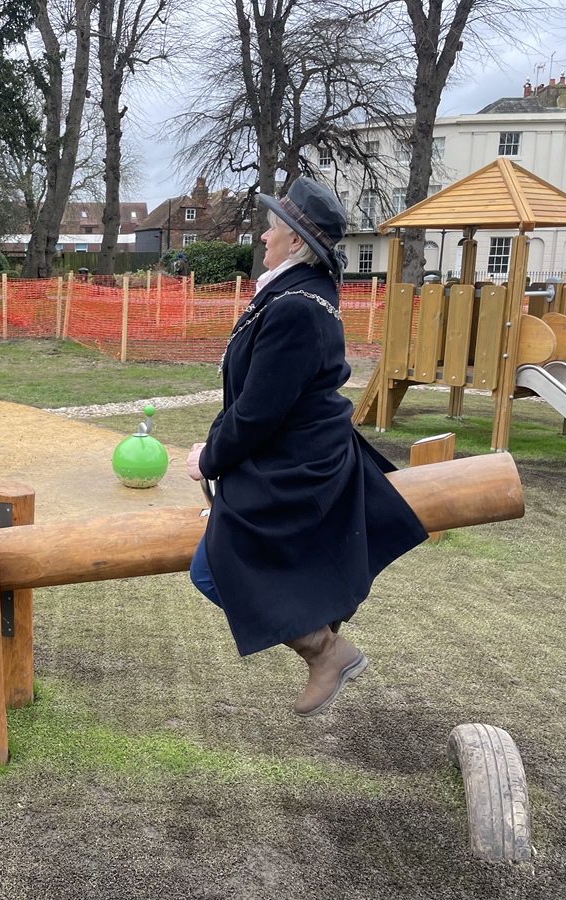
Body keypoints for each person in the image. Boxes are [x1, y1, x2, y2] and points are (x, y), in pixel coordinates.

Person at [185, 178, 427, 717]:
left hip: (295, 464)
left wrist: (209, 457)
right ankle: (322, 634)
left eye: (272, 228)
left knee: (212, 568)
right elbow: (260, 399)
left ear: (295, 242)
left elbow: (257, 413)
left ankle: (325, 650)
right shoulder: (297, 295)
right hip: (302, 452)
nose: (264, 237)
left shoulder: (295, 306)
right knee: (249, 564)